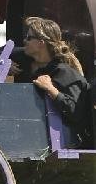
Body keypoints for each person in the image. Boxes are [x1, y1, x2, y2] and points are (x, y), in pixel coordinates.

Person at [16, 16, 91, 145]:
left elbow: (75, 111)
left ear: (41, 43)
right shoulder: (24, 60)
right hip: (28, 135)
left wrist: (51, 90)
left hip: (66, 143)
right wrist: (6, 63)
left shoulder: (64, 72)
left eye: (29, 38)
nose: (25, 41)